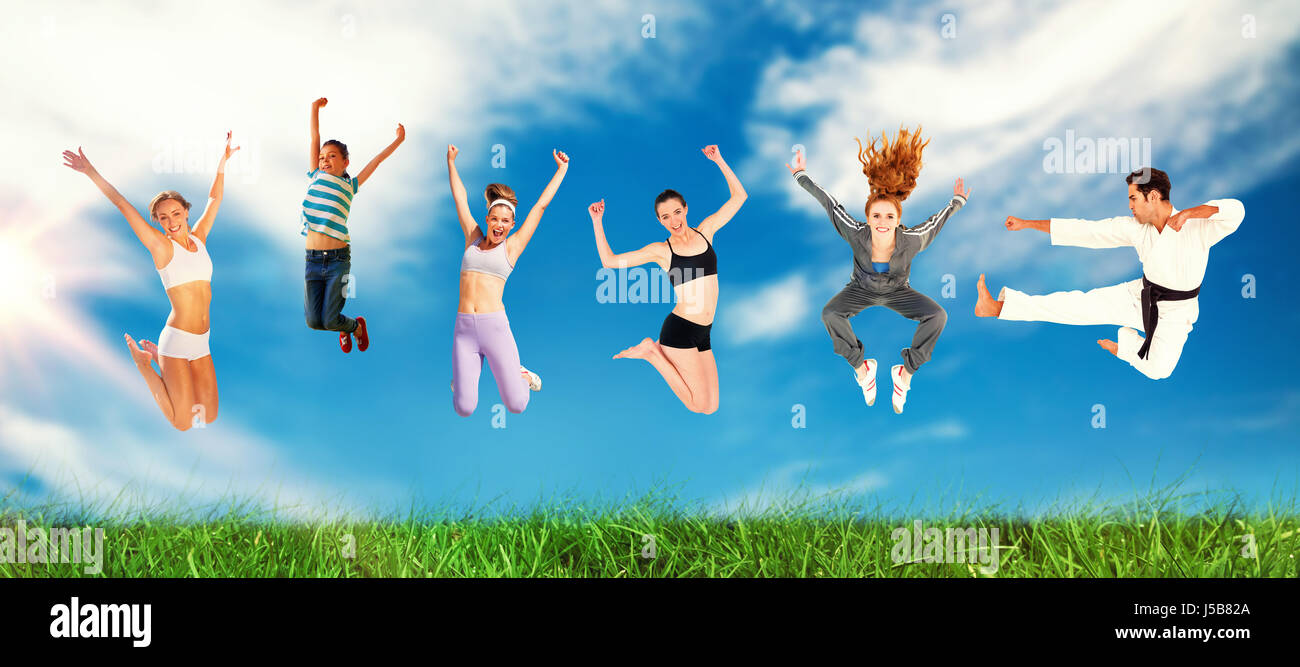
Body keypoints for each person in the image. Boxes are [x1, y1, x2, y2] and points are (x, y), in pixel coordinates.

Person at [975, 167, 1244, 380]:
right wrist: (1028, 224)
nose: (1130, 206)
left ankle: (1125, 344)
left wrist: (1190, 214)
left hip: (1177, 313)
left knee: (1160, 370)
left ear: (1153, 196)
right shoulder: (1137, 228)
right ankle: (998, 307)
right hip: (1140, 296)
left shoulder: (1200, 226)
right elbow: (1087, 231)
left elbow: (1236, 211)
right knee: (1077, 307)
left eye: (1133, 198)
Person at [62, 132, 238, 430]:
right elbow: (121, 204)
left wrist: (223, 161)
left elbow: (215, 198)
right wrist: (90, 171)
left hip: (202, 341)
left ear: (185, 212)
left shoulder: (200, 238)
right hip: (177, 339)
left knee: (207, 417)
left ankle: (159, 360)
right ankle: (146, 364)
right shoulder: (161, 247)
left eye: (176, 213)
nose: (171, 222)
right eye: (163, 217)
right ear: (157, 221)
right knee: (182, 423)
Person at [788, 128, 968, 413]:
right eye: (876, 216)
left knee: (938, 316)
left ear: (898, 220)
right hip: (860, 290)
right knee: (830, 314)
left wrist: (957, 202)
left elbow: (936, 222)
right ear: (868, 218)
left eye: (889, 216)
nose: (882, 222)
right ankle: (863, 369)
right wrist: (801, 176)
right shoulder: (855, 232)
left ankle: (904, 374)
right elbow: (829, 204)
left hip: (899, 292)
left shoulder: (912, 240)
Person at [589, 144, 747, 414]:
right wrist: (597, 220)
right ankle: (651, 352)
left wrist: (719, 159)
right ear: (660, 221)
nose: (673, 220)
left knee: (711, 406)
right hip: (680, 331)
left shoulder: (706, 231)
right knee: (700, 406)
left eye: (676, 212)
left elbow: (739, 197)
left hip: (705, 331)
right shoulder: (662, 251)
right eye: (665, 217)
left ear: (685, 209)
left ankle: (651, 351)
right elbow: (610, 262)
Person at [447, 144, 567, 416]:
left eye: (506, 221)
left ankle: (521, 374)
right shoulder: (472, 239)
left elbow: (541, 206)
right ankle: (464, 377)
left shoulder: (511, 248)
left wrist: (561, 170)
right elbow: (460, 199)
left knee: (516, 405)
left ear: (512, 224)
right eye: (495, 219)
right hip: (464, 328)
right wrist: (452, 162)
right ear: (487, 219)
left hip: (495, 328)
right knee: (464, 407)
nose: (499, 225)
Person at [302, 96, 404, 353]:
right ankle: (350, 327)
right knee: (314, 322)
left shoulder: (350, 186)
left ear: (345, 162)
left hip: (338, 260)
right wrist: (314, 109)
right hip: (312, 260)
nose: (324, 160)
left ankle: (357, 327)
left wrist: (398, 140)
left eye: (332, 156)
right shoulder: (315, 174)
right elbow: (315, 138)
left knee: (328, 319)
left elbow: (377, 161)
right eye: (322, 157)